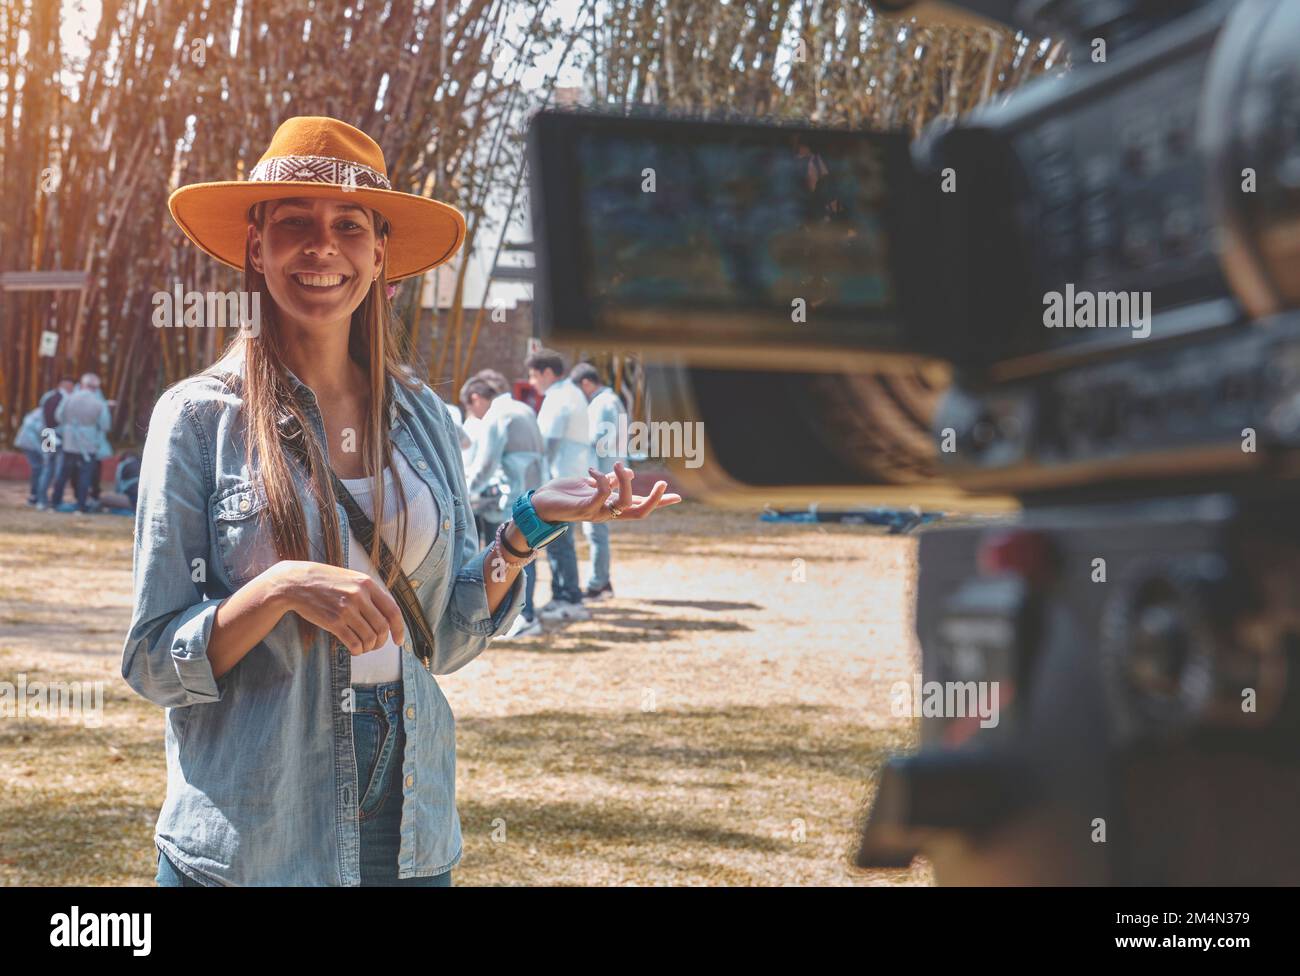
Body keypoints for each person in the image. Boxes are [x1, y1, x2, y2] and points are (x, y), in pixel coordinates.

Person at [122, 116, 679, 888]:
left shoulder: (422, 416)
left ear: (378, 253)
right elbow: (153, 660)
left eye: (348, 224)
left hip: (411, 812)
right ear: (256, 246)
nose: (322, 246)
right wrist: (280, 589)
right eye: (294, 223)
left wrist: (527, 526)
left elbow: (445, 639)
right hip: (257, 824)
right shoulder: (197, 418)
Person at [460, 370, 546, 639]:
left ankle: (521, 616)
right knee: (527, 553)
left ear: (477, 399)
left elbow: (486, 463)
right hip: (531, 493)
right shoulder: (523, 408)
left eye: (472, 409)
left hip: (509, 497)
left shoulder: (497, 415)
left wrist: (466, 491)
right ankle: (528, 613)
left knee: (511, 557)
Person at [526, 349, 594, 623]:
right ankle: (566, 595)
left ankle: (567, 598)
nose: (532, 382)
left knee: (558, 543)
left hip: (561, 480)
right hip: (572, 477)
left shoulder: (558, 397)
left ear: (546, 372)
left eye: (533, 375)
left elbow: (549, 442)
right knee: (562, 542)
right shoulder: (573, 393)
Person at [571, 362, 628, 601]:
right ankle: (602, 581)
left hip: (604, 477)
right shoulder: (613, 400)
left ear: (586, 383)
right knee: (597, 531)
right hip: (611, 474)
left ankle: (598, 584)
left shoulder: (602, 403)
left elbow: (597, 440)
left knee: (596, 531)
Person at [54, 373, 111, 514]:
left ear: (82, 384)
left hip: (69, 442)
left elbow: (58, 416)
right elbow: (105, 425)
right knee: (85, 476)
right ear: (96, 387)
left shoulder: (69, 398)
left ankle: (54, 503)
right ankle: (81, 505)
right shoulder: (99, 403)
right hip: (88, 444)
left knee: (63, 473)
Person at [33, 376, 74, 509]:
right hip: (56, 435)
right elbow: (58, 419)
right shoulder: (65, 399)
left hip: (47, 434)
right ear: (64, 385)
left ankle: (41, 500)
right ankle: (54, 500)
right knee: (57, 469)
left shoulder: (47, 397)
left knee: (47, 467)